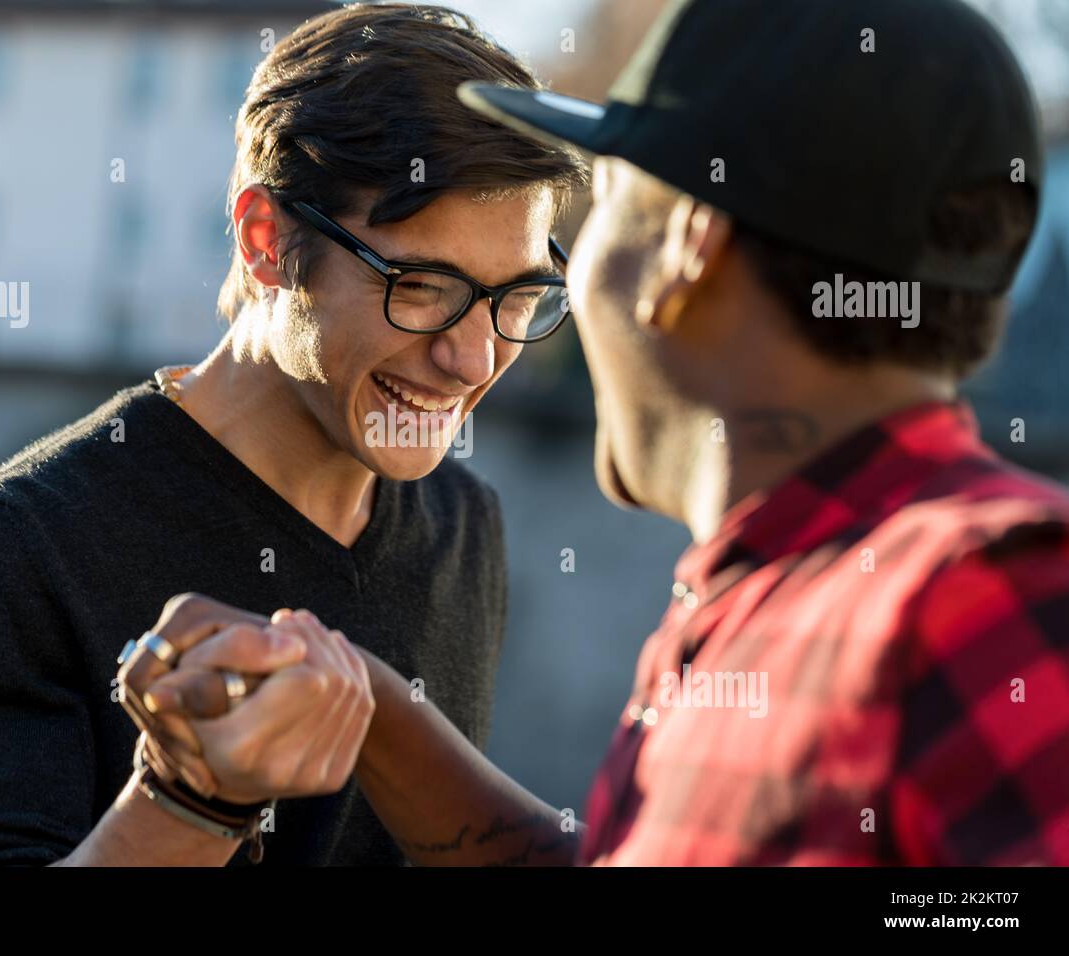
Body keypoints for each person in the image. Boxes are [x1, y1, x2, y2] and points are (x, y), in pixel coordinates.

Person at [143, 0, 1069, 865]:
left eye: (602, 210)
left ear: (685, 249)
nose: (472, 358)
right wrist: (369, 706)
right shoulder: (775, 597)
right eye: (423, 285)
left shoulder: (992, 596)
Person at [0, 3, 585, 867]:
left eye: (517, 296)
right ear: (266, 241)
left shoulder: (462, 523)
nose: (473, 356)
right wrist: (186, 800)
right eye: (423, 285)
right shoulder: (16, 543)